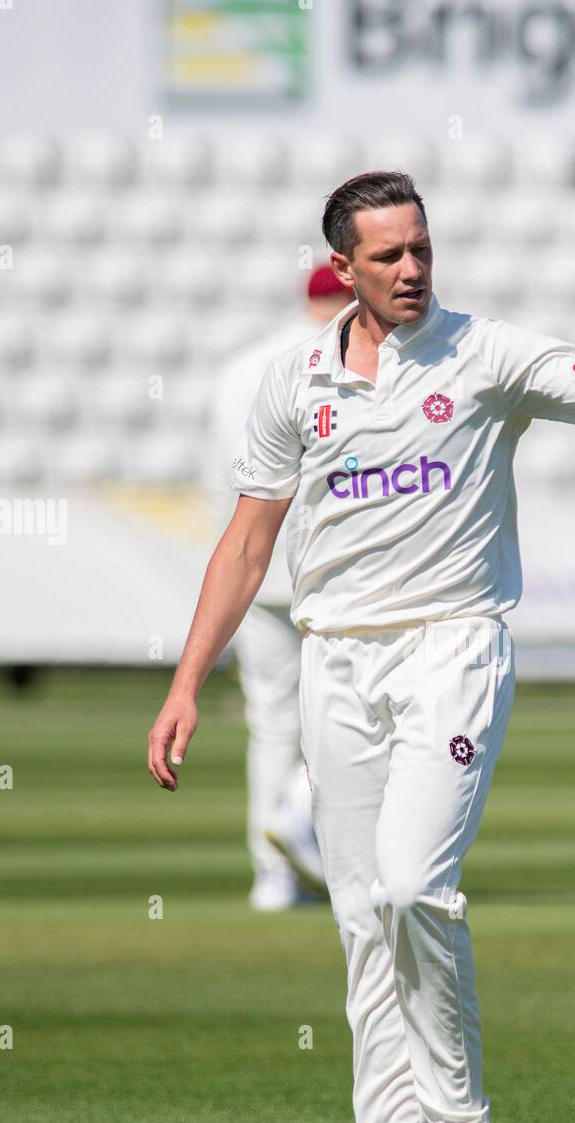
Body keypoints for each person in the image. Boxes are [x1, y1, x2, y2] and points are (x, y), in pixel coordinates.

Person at [147, 170, 575, 1123]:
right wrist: (185, 682)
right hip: (334, 661)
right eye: (387, 256)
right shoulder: (294, 379)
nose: (411, 269)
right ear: (342, 266)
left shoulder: (486, 352)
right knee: (357, 917)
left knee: (410, 886)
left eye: (422, 248)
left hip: (451, 646)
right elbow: (250, 540)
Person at [208, 266, 354, 910]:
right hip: (327, 565)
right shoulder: (338, 361)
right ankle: (297, 816)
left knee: (272, 722)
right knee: (355, 708)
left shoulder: (240, 366)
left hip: (253, 565)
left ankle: (273, 874)